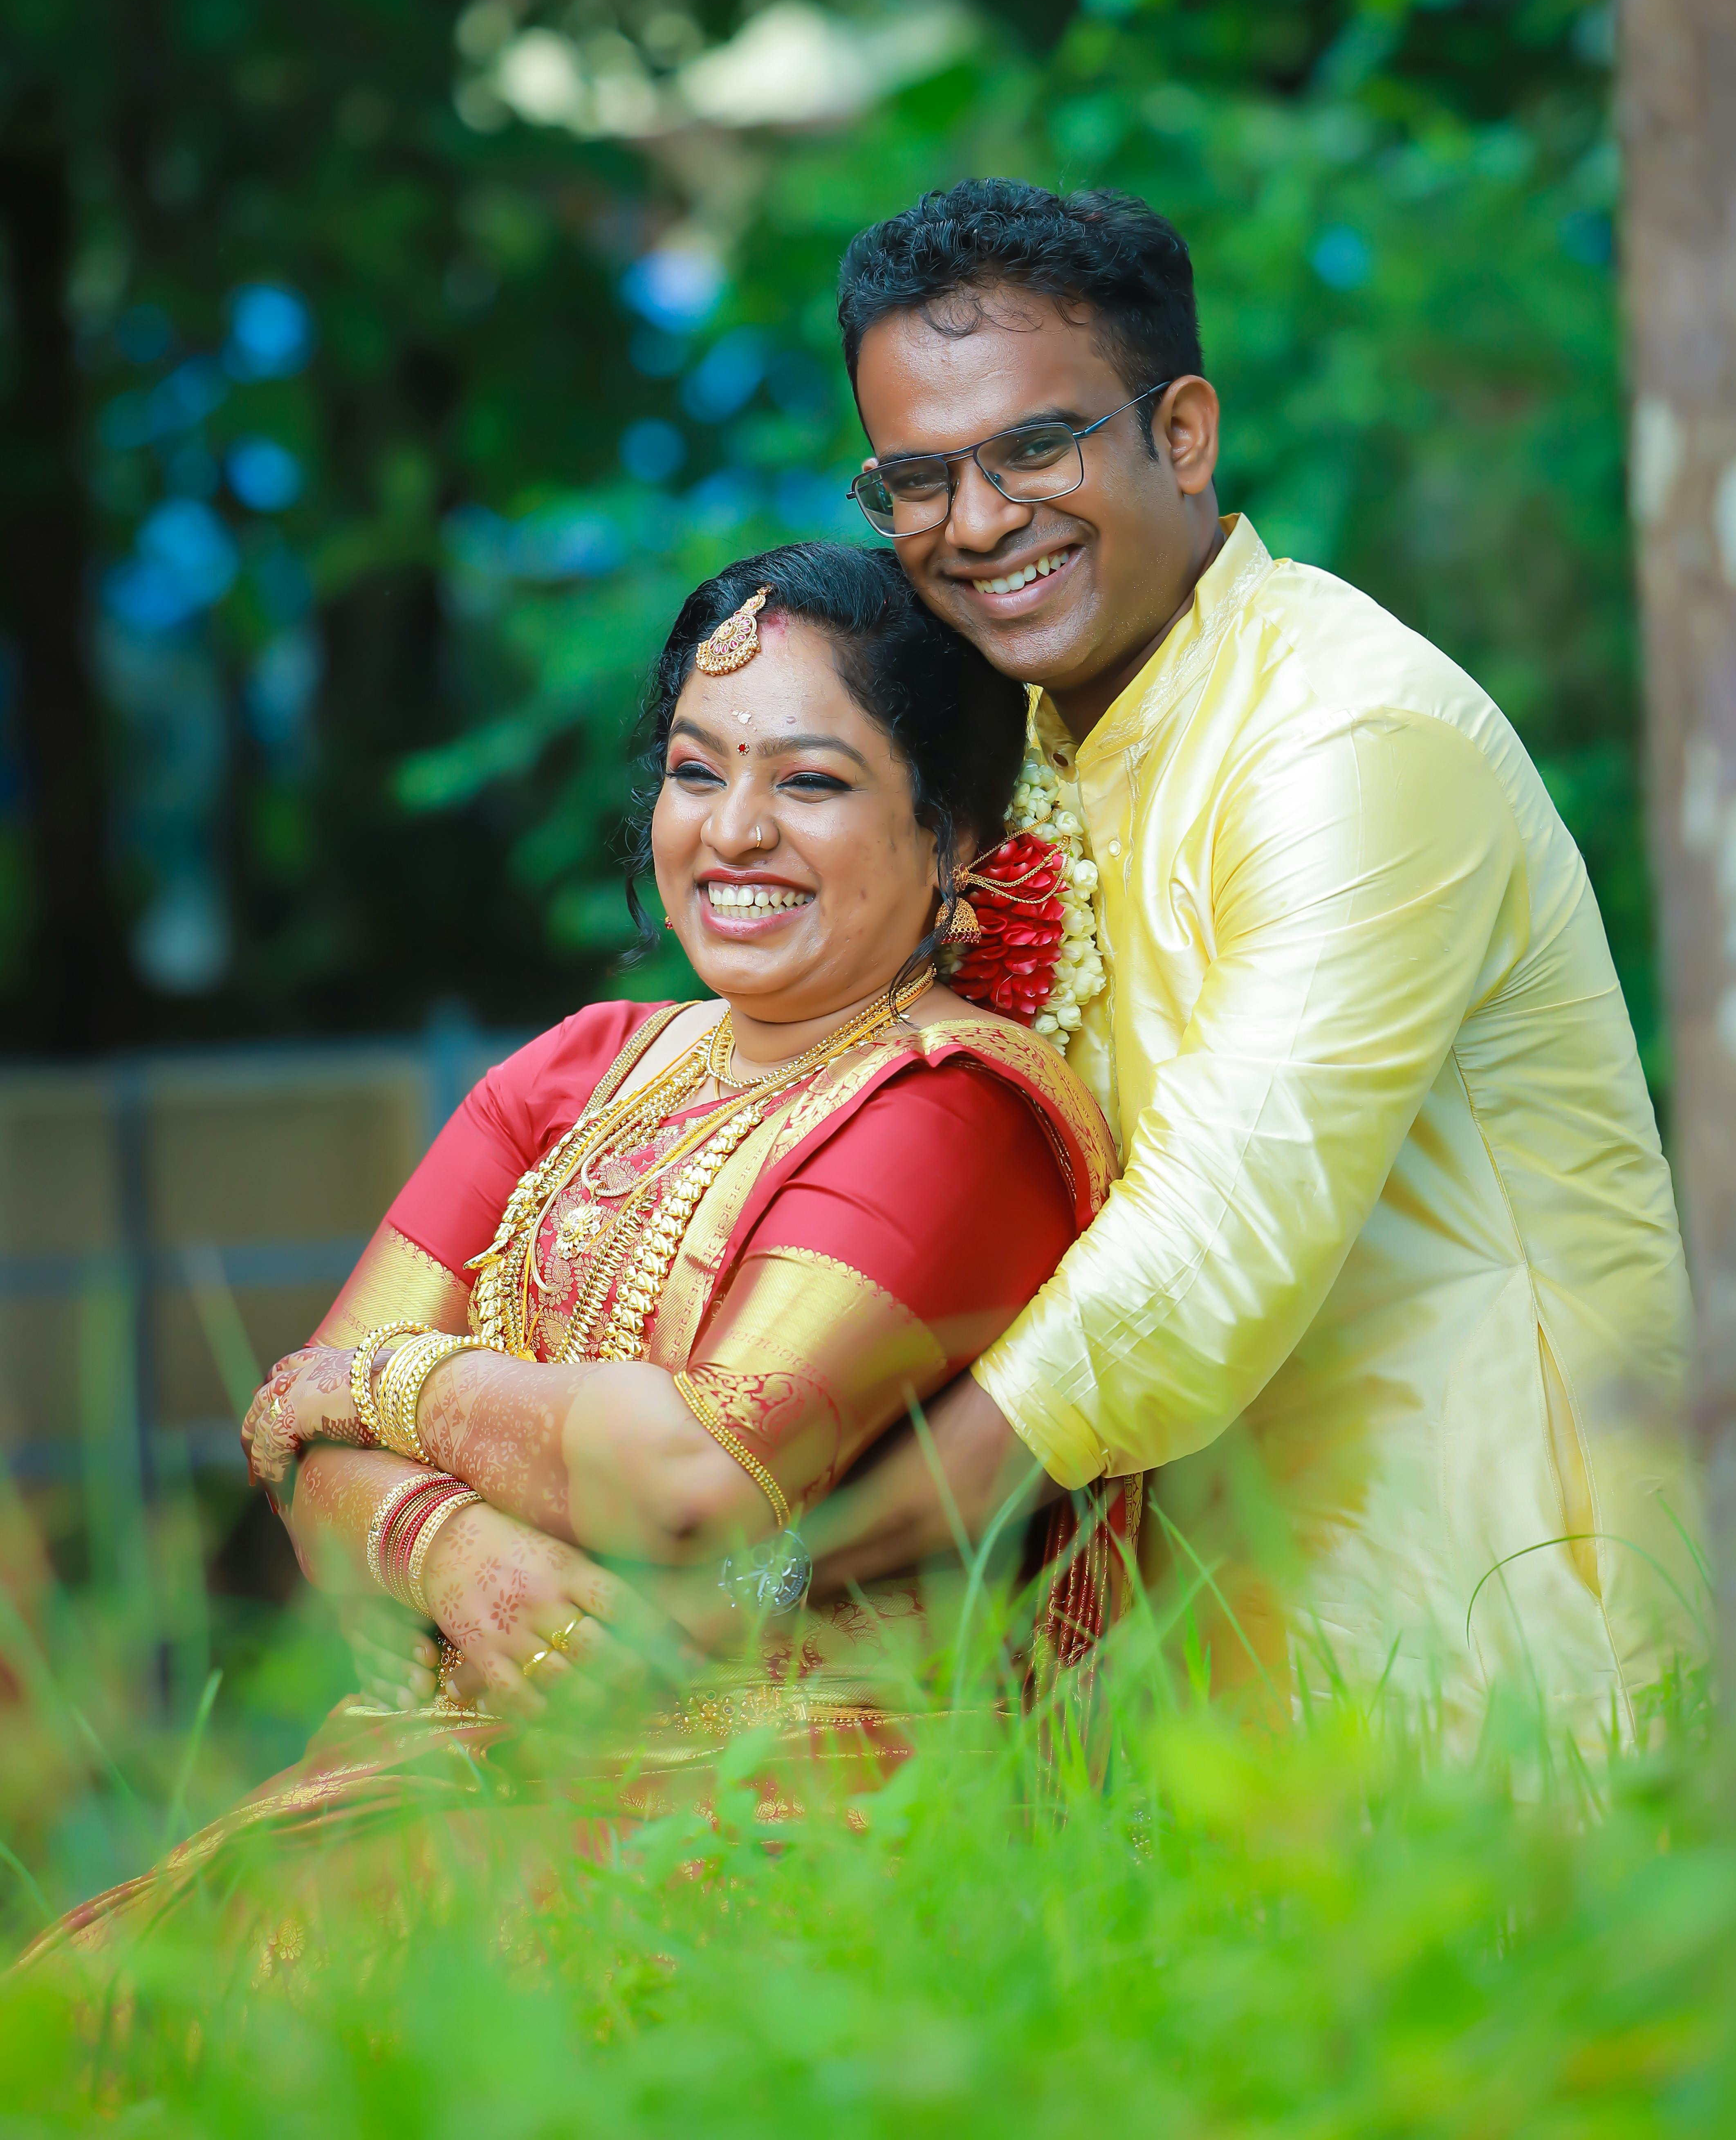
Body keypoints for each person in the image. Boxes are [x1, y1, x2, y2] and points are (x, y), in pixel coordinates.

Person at [22, 543, 1124, 1974]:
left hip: (788, 1815)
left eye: (811, 781)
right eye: (693, 771)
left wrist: (392, 1382)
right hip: (464, 1771)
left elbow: (690, 1478)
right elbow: (295, 1448)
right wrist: (453, 1547)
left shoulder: (955, 1110)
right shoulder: (583, 1067)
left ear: (956, 838)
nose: (733, 832)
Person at [812, 178, 1700, 1744]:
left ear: (1186, 434)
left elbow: (1204, 1263)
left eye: (1035, 445)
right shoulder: (1002, 754)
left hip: (1492, 1639)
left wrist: (769, 1571)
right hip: (1180, 1652)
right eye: (916, 479)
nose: (977, 522)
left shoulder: (1348, 738)